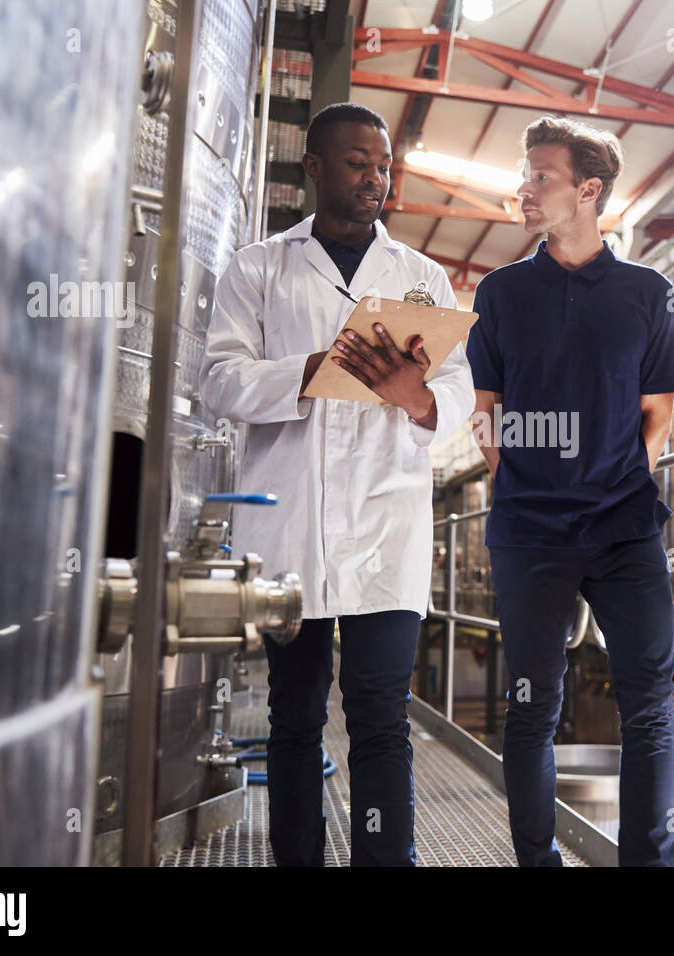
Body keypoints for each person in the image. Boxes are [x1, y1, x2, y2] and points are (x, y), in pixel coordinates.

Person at [200, 102, 474, 866]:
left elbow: (455, 388)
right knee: (293, 716)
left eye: (384, 165)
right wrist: (318, 370)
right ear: (314, 167)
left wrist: (419, 398)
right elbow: (220, 381)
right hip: (292, 531)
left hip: (386, 529)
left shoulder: (421, 278)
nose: (375, 178)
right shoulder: (260, 268)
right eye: (358, 162)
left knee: (382, 715)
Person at [466, 116, 674, 867]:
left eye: (541, 176)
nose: (524, 188)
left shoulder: (647, 292)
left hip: (625, 528)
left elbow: (659, 409)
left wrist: (615, 476)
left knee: (652, 709)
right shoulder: (499, 292)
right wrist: (522, 484)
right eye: (524, 174)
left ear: (589, 191)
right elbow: (485, 411)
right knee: (530, 711)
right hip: (528, 532)